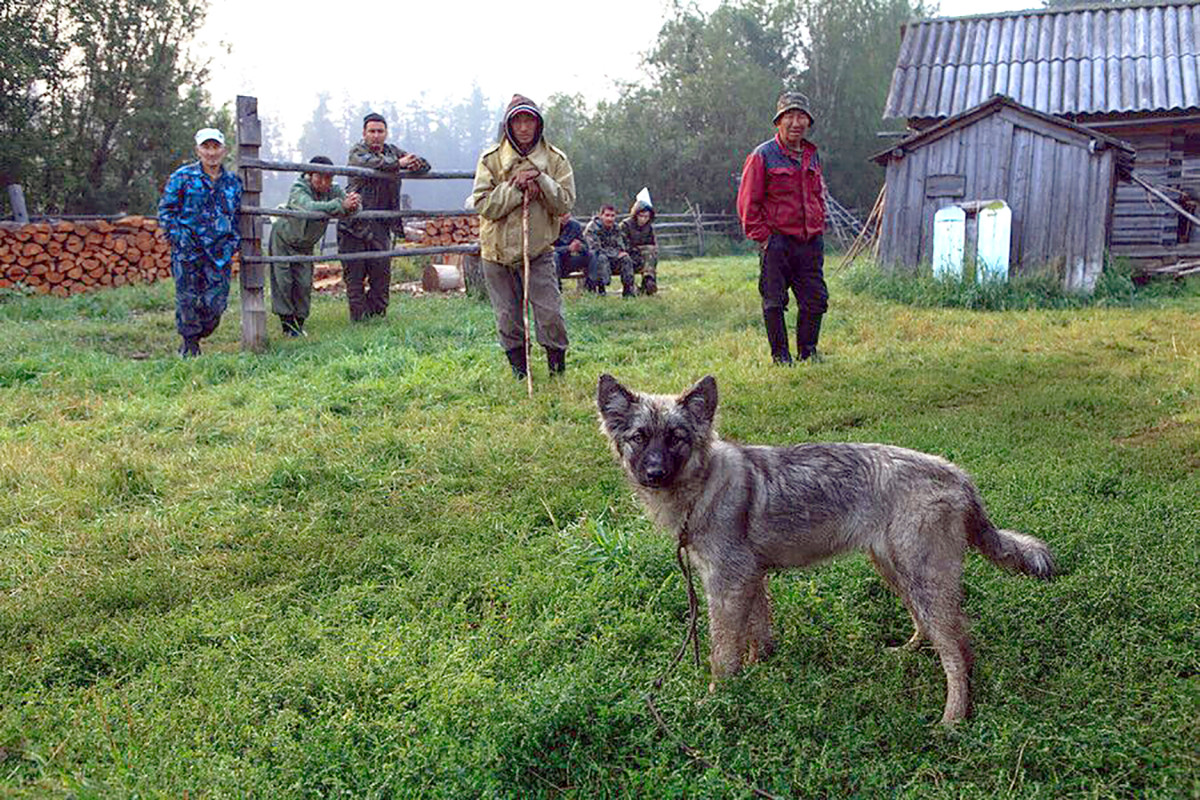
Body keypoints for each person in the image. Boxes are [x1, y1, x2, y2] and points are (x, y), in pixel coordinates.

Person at [470, 94, 575, 378]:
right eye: (518, 121)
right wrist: (514, 188)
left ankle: (557, 372)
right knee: (507, 317)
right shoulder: (491, 160)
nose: (524, 127)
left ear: (538, 124)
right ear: (508, 126)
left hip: (538, 251)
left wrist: (541, 180)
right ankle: (520, 374)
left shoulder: (555, 160)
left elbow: (565, 202)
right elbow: (483, 205)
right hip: (497, 254)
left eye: (530, 120)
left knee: (550, 313)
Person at [736, 91, 829, 364]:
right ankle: (780, 357)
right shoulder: (762, 155)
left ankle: (808, 352)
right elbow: (747, 203)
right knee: (774, 301)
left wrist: (818, 224)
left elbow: (817, 195)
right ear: (778, 122)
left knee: (815, 300)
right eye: (789, 116)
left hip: (810, 242)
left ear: (808, 122)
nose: (795, 122)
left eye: (801, 116)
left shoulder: (812, 155)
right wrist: (765, 239)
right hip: (776, 243)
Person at [158, 127, 243, 357]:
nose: (211, 152)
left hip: (219, 253)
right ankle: (189, 343)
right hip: (188, 251)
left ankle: (201, 331)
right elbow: (166, 211)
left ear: (224, 150)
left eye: (215, 147)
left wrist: (233, 242)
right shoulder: (182, 177)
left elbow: (238, 217)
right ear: (198, 150)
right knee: (187, 298)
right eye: (206, 147)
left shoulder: (233, 183)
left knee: (215, 305)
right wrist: (179, 237)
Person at [337, 112, 429, 322]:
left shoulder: (392, 151)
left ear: (386, 133)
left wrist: (415, 163)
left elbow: (423, 164)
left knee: (381, 275)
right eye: (372, 131)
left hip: (380, 224)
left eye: (380, 131)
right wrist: (399, 164)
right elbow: (370, 164)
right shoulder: (357, 151)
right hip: (353, 224)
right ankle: (359, 321)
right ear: (364, 133)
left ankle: (377, 318)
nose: (376, 136)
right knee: (355, 276)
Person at [268, 156, 361, 336]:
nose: (324, 182)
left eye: (328, 178)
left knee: (303, 282)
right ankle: (287, 325)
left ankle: (300, 323)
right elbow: (309, 208)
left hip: (306, 243)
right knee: (283, 281)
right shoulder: (299, 188)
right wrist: (340, 206)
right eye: (319, 177)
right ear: (310, 175)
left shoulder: (333, 190)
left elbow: (353, 208)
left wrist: (353, 203)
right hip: (284, 239)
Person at [584, 204, 635, 296]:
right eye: (607, 215)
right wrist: (614, 254)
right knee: (601, 258)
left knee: (625, 258)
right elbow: (595, 248)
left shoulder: (616, 228)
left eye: (612, 216)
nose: (610, 219)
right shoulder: (592, 228)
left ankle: (628, 290)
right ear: (601, 216)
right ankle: (601, 289)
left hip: (611, 258)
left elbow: (621, 246)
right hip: (594, 260)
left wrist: (618, 253)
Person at [619, 194, 658, 295]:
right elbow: (622, 244)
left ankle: (649, 281)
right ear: (635, 215)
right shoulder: (625, 225)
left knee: (651, 251)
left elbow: (652, 244)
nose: (643, 219)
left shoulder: (649, 228)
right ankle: (632, 288)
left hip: (643, 257)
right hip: (627, 255)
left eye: (646, 217)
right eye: (641, 216)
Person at [551, 212, 593, 286]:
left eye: (566, 214)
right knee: (554, 256)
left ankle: (591, 285)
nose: (564, 217)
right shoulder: (549, 226)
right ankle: (556, 287)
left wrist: (579, 247)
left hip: (569, 260)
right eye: (561, 215)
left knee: (591, 254)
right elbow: (546, 249)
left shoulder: (575, 225)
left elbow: (586, 247)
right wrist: (568, 248)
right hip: (553, 262)